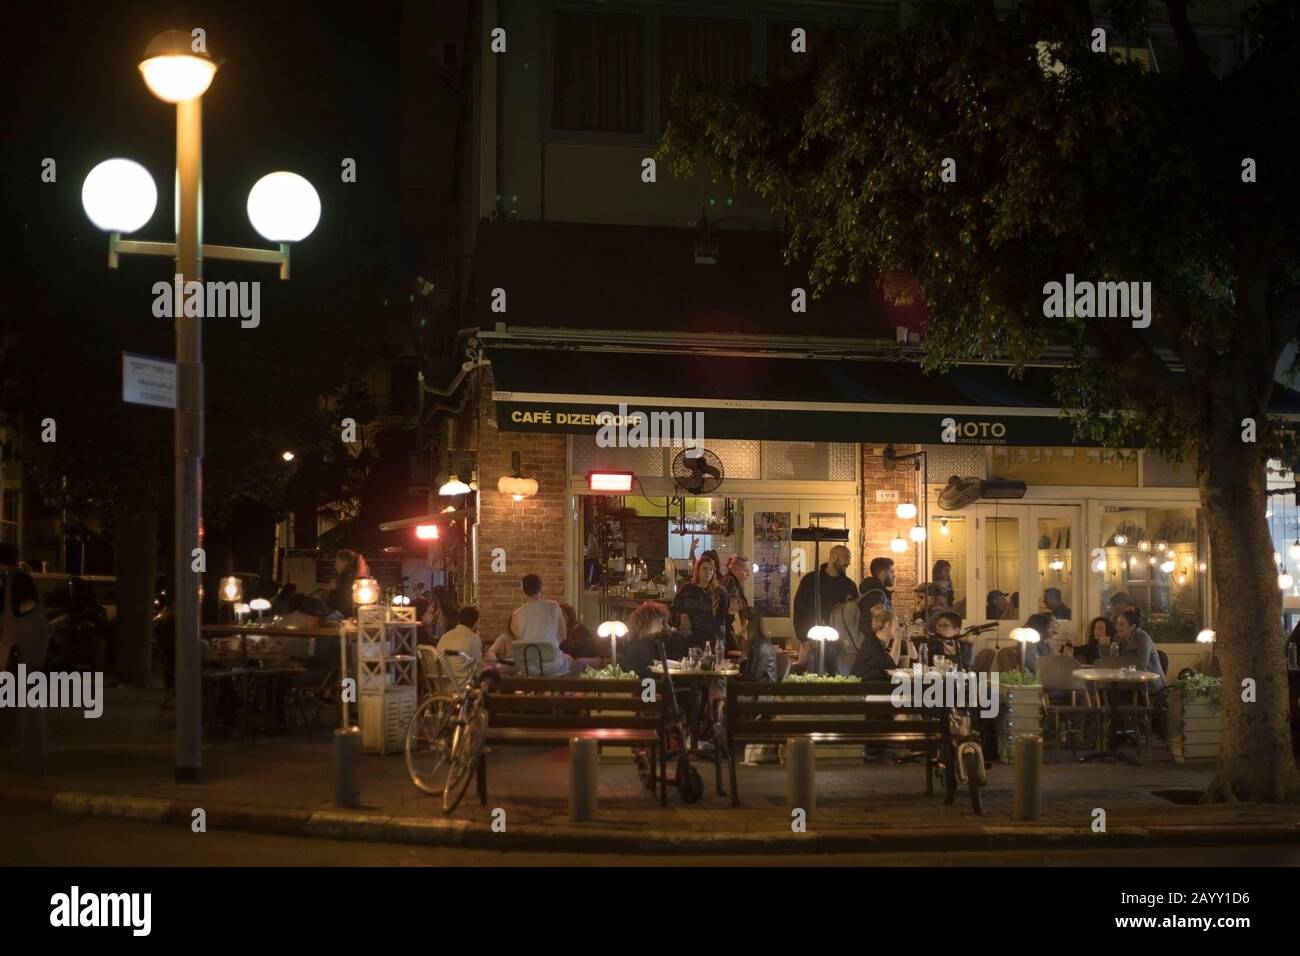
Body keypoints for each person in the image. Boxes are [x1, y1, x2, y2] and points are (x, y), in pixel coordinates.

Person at [793, 545, 858, 673]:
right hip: (813, 642)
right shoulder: (810, 580)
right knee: (815, 685)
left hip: (840, 645)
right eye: (846, 558)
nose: (849, 563)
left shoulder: (849, 585)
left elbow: (854, 615)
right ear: (833, 557)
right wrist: (803, 639)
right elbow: (799, 609)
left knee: (840, 685)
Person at [508, 573, 575, 676]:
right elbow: (562, 636)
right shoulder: (554, 606)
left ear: (523, 590)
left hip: (528, 667)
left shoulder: (516, 615)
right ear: (541, 587)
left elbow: (521, 639)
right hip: (553, 665)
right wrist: (550, 644)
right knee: (570, 659)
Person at [671, 555, 726, 651]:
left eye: (711, 569)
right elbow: (673, 610)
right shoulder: (687, 589)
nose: (708, 572)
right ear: (698, 570)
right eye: (704, 569)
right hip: (689, 640)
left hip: (711, 641)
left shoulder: (719, 592)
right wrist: (681, 616)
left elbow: (724, 619)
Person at [852, 605, 908, 681]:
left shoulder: (884, 642)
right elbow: (891, 664)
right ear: (887, 625)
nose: (898, 627)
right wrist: (897, 638)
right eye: (896, 623)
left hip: (879, 685)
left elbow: (913, 659)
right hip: (864, 688)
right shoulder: (871, 643)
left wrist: (909, 641)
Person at [1115, 609, 1166, 689]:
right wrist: (1103, 647)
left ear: (1132, 627)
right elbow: (1113, 662)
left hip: (1150, 683)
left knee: (1114, 692)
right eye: (1117, 624)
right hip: (1130, 680)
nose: (1117, 627)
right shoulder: (1120, 639)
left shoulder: (1142, 637)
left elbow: (1141, 665)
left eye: (1121, 624)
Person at [737, 607, 778, 682]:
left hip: (761, 691)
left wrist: (737, 674)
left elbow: (754, 677)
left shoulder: (761, 646)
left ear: (745, 623)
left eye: (735, 620)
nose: (732, 623)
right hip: (753, 688)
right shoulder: (752, 642)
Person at [327, 549, 370, 619]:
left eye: (337, 561)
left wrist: (333, 590)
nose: (335, 566)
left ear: (345, 562)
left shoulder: (346, 580)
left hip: (345, 620)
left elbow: (338, 605)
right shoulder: (355, 578)